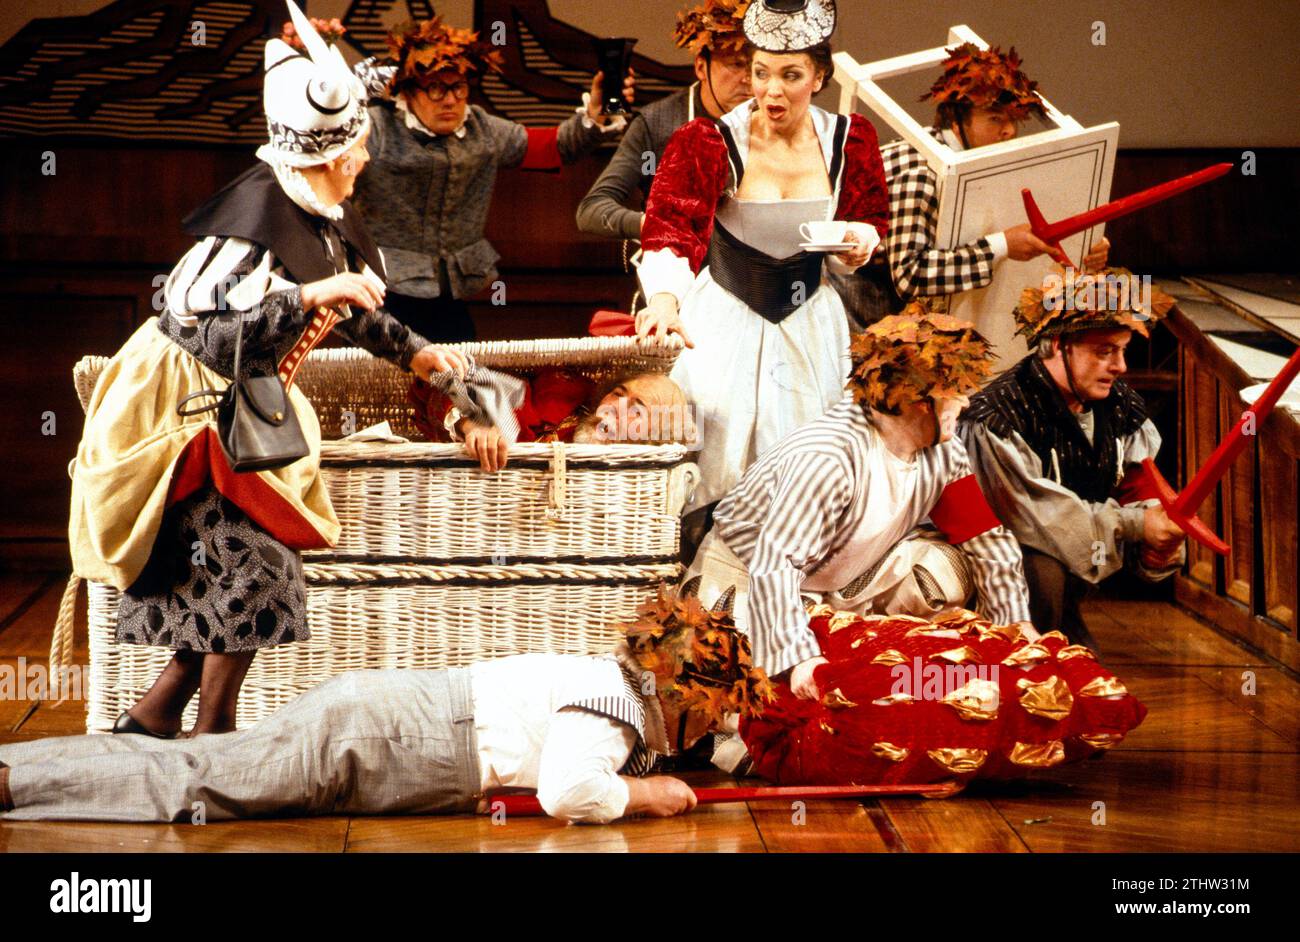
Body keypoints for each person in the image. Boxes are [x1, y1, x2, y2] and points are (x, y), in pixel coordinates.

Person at [65, 3, 469, 740]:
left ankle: (158, 720)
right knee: (248, 569)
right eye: (357, 152)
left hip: (240, 411)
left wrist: (416, 353)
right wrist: (312, 295)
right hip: (180, 417)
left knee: (227, 577)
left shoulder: (320, 210)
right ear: (328, 158)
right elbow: (206, 330)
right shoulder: (248, 225)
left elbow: (351, 300)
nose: (367, 161)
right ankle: (211, 731)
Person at [0, 591, 772, 824]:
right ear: (683, 693)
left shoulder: (620, 687)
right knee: (191, 785)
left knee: (192, 766)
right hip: (390, 736)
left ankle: (17, 772)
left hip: (389, 722)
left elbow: (727, 750)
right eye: (722, 711)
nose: (721, 727)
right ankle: (16, 784)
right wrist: (644, 794)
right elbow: (566, 790)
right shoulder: (613, 711)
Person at [684, 307, 1037, 707]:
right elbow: (776, 564)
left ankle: (868, 647)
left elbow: (982, 536)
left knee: (945, 570)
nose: (966, 402)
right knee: (754, 702)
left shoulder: (945, 452)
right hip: (749, 577)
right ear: (918, 401)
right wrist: (799, 658)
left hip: (840, 578)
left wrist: (1015, 624)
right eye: (955, 391)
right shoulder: (830, 456)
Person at [634, 0, 889, 541]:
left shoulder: (851, 140)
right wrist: (663, 300)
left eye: (790, 75)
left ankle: (790, 591)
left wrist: (859, 242)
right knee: (717, 453)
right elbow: (671, 228)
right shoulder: (710, 141)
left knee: (803, 453)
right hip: (726, 317)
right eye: (760, 73)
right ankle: (700, 591)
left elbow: (868, 217)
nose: (772, 92)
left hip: (809, 321)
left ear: (819, 76)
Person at [350, 16, 635, 343]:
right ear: (408, 91)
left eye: (458, 87)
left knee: (460, 374)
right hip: (381, 292)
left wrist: (598, 114)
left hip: (449, 294)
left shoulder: (481, 129)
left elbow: (555, 148)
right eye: (435, 87)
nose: (450, 99)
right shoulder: (377, 128)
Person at [960, 266, 1186, 650]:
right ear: (1058, 345)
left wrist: (1159, 540)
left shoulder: (1120, 406)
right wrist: (1134, 525)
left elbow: (1137, 489)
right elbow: (1037, 519)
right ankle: (1022, 660)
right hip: (996, 565)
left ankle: (1064, 647)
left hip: (1072, 552)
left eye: (1122, 350)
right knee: (1041, 568)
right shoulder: (998, 417)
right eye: (1104, 351)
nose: (1120, 366)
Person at [838, 42, 1110, 330]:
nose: (1008, 131)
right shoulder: (920, 170)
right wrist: (1003, 245)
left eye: (1013, 121)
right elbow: (911, 276)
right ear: (956, 123)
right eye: (995, 119)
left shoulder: (982, 163)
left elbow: (1017, 233)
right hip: (863, 309)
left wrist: (1084, 248)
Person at [575, 0, 753, 247]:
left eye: (759, 68)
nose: (749, 78)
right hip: (679, 266)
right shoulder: (656, 123)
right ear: (702, 68)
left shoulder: (775, 119)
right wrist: (656, 225)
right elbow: (592, 210)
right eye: (736, 64)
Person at [409, 366, 695, 470]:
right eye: (618, 393)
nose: (614, 408)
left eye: (637, 409)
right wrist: (473, 424)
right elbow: (447, 383)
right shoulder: (560, 400)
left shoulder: (646, 487)